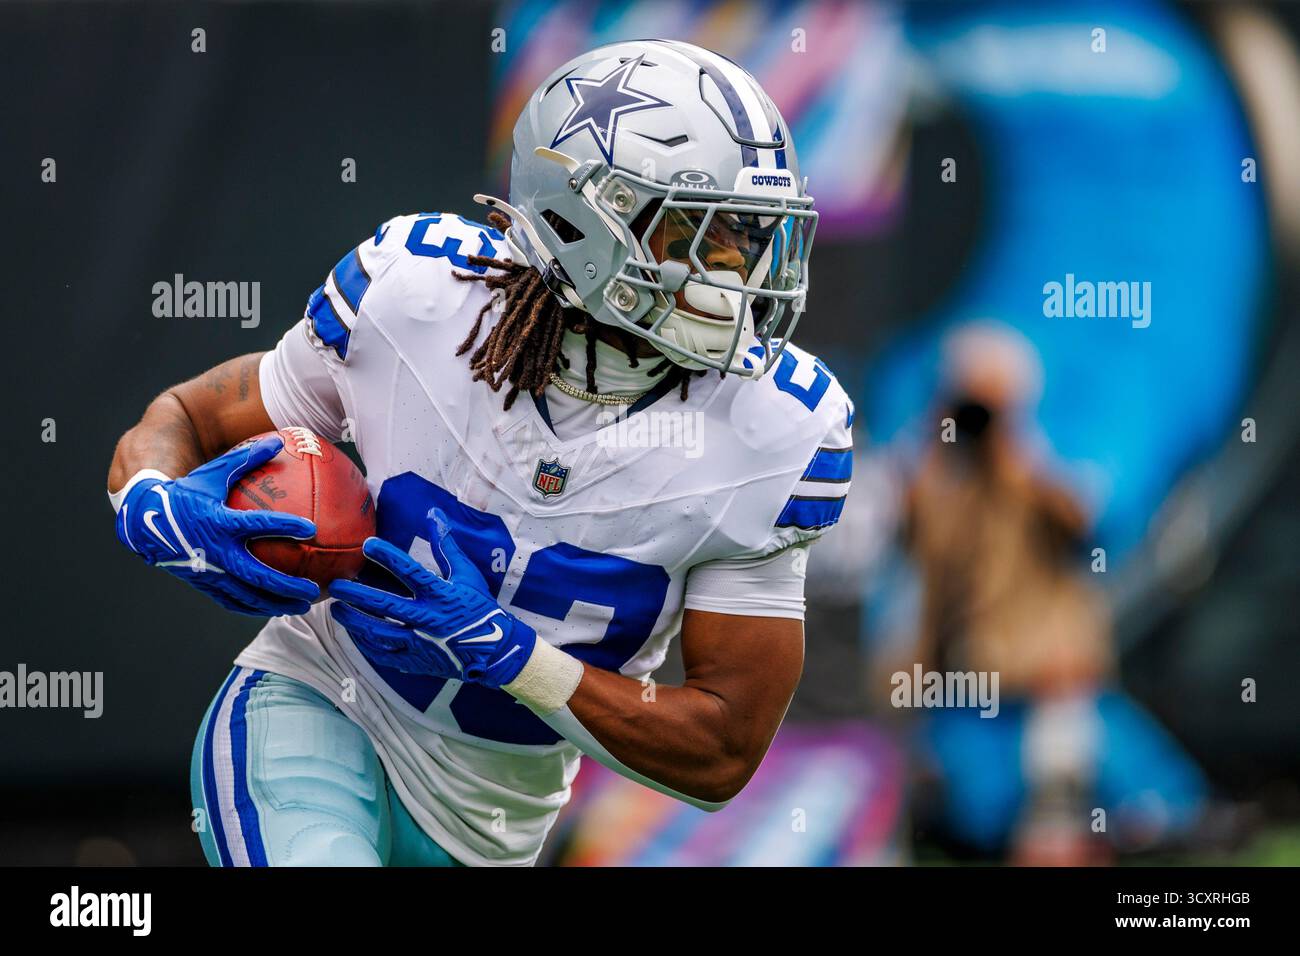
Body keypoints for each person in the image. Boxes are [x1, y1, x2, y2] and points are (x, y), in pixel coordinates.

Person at [106, 40, 853, 867]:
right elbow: (192, 414)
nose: (736, 275)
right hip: (319, 705)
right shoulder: (418, 297)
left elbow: (721, 750)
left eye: (746, 240)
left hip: (491, 819)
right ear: (581, 220)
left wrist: (518, 659)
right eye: (696, 235)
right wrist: (148, 495)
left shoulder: (776, 428)